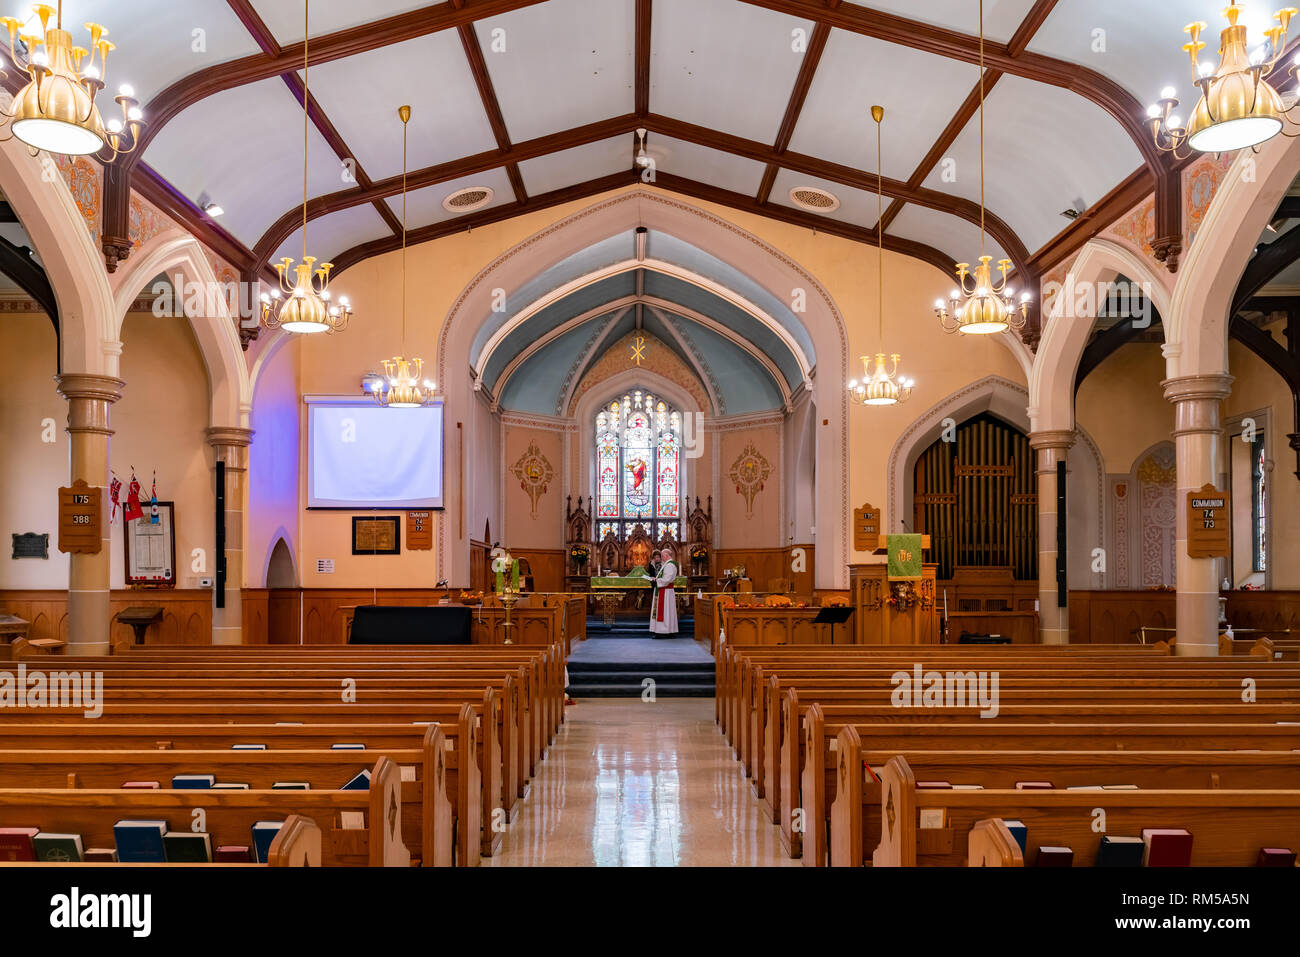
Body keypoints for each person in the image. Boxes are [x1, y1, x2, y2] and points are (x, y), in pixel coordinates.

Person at [649, 548, 679, 637]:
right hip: (664, 590)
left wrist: (656, 581)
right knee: (666, 612)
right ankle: (666, 630)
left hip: (665, 592)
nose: (661, 558)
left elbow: (667, 579)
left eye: (662, 556)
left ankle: (663, 631)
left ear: (666, 555)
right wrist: (656, 579)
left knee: (665, 611)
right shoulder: (667, 564)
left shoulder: (670, 565)